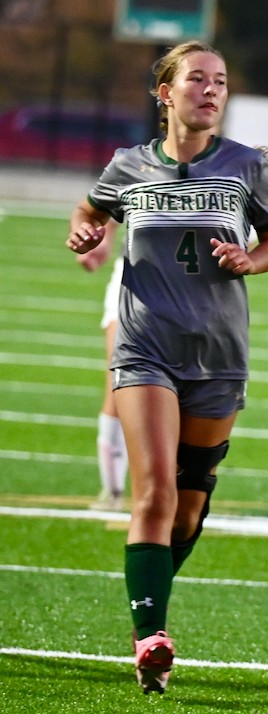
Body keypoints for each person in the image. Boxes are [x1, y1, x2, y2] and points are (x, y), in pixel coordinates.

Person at [64, 41, 268, 694]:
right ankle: (151, 637)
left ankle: (152, 595)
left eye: (220, 81)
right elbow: (89, 211)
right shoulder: (128, 165)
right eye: (197, 79)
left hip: (219, 354)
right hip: (145, 347)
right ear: (166, 93)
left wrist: (252, 259)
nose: (210, 90)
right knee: (155, 492)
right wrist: (85, 232)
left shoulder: (246, 165)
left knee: (188, 509)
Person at [78, 219, 128, 511]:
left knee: (190, 389)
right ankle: (113, 490)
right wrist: (104, 236)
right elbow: (108, 203)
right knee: (119, 381)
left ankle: (180, 494)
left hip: (198, 288)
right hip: (136, 277)